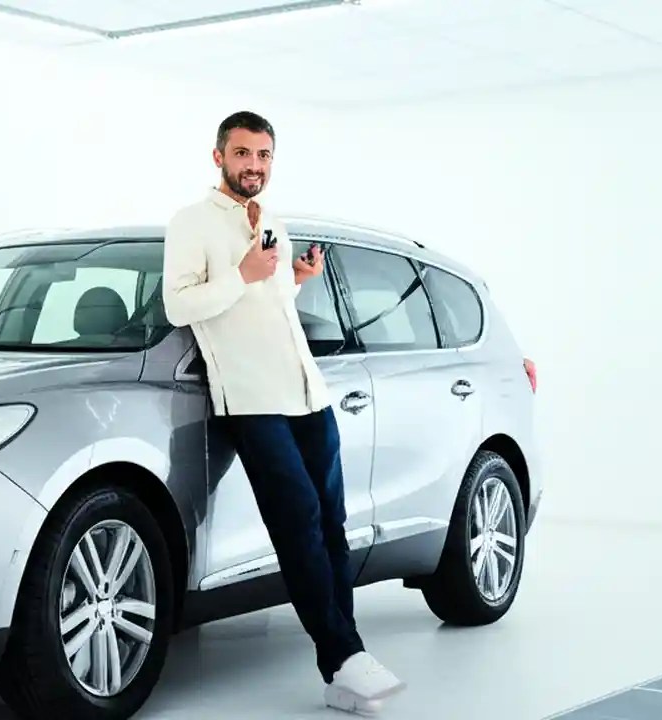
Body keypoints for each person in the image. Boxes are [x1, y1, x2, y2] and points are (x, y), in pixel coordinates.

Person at [161, 111, 407, 715]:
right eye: (243, 154)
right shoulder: (191, 224)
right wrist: (242, 274)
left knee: (331, 524)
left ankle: (345, 667)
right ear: (218, 156)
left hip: (308, 392)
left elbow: (267, 308)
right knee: (296, 520)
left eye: (264, 155)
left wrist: (293, 280)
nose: (254, 166)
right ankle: (344, 656)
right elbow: (177, 305)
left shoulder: (273, 222)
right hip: (250, 399)